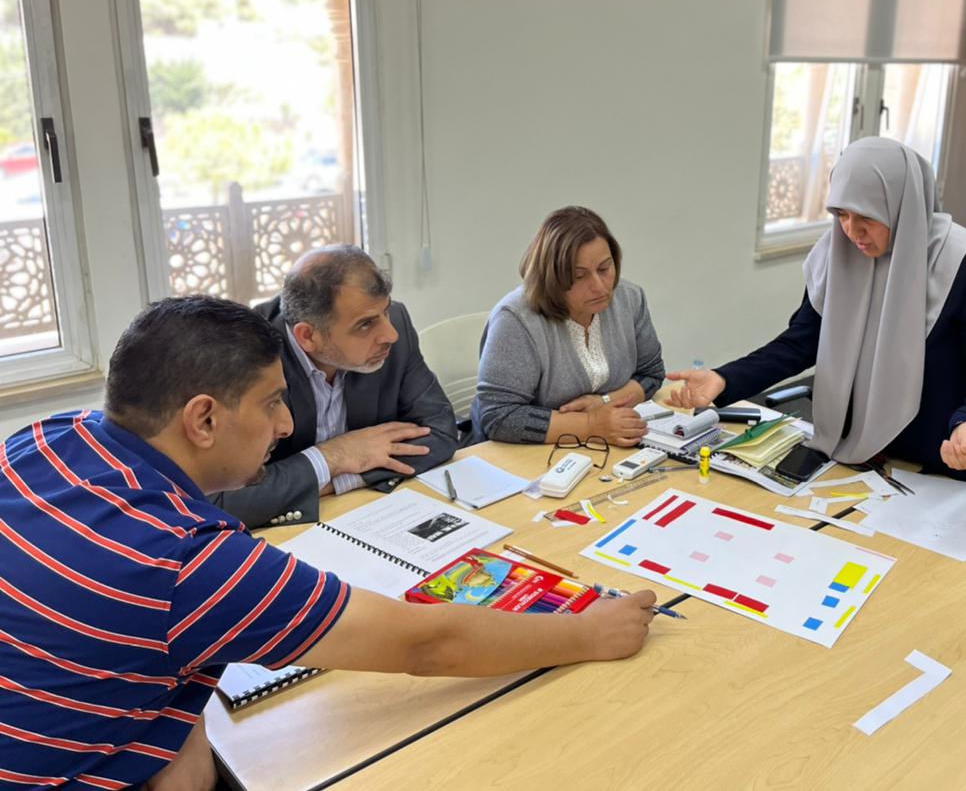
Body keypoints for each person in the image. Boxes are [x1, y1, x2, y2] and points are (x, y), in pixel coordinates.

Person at [0, 296, 655, 789]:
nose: (286, 425)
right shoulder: (188, 562)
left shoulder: (47, 437)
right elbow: (424, 642)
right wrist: (589, 633)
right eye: (271, 404)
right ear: (203, 418)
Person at [668, 138, 966, 495]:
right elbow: (802, 342)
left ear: (903, 206)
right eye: (841, 214)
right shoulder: (838, 252)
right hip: (863, 458)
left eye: (867, 217)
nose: (851, 231)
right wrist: (724, 379)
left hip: (947, 463)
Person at [209, 245, 459, 529]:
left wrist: (345, 476)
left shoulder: (395, 324)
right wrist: (332, 457)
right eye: (365, 325)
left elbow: (440, 431)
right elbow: (221, 499)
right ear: (308, 336)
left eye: (385, 312)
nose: (390, 334)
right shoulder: (245, 357)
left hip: (373, 515)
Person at [472, 206, 665, 446]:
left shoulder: (630, 298)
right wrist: (591, 425)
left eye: (605, 268)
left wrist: (605, 401)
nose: (600, 286)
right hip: (526, 457)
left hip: (603, 449)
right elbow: (499, 416)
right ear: (552, 277)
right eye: (579, 276)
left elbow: (651, 374)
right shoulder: (516, 319)